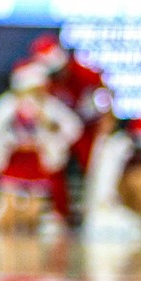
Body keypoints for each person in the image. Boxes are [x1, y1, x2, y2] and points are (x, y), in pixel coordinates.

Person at [0, 65, 81, 232]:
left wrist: (49, 134)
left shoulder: (50, 106)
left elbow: (73, 128)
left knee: (35, 208)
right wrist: (9, 140)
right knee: (7, 204)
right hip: (13, 160)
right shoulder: (8, 104)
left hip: (37, 161)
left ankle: (31, 252)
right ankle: (6, 250)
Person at [27, 35, 114, 223]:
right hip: (61, 128)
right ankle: (60, 212)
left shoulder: (81, 71)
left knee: (95, 165)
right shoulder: (41, 78)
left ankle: (96, 209)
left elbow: (105, 88)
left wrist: (108, 116)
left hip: (86, 125)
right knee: (53, 161)